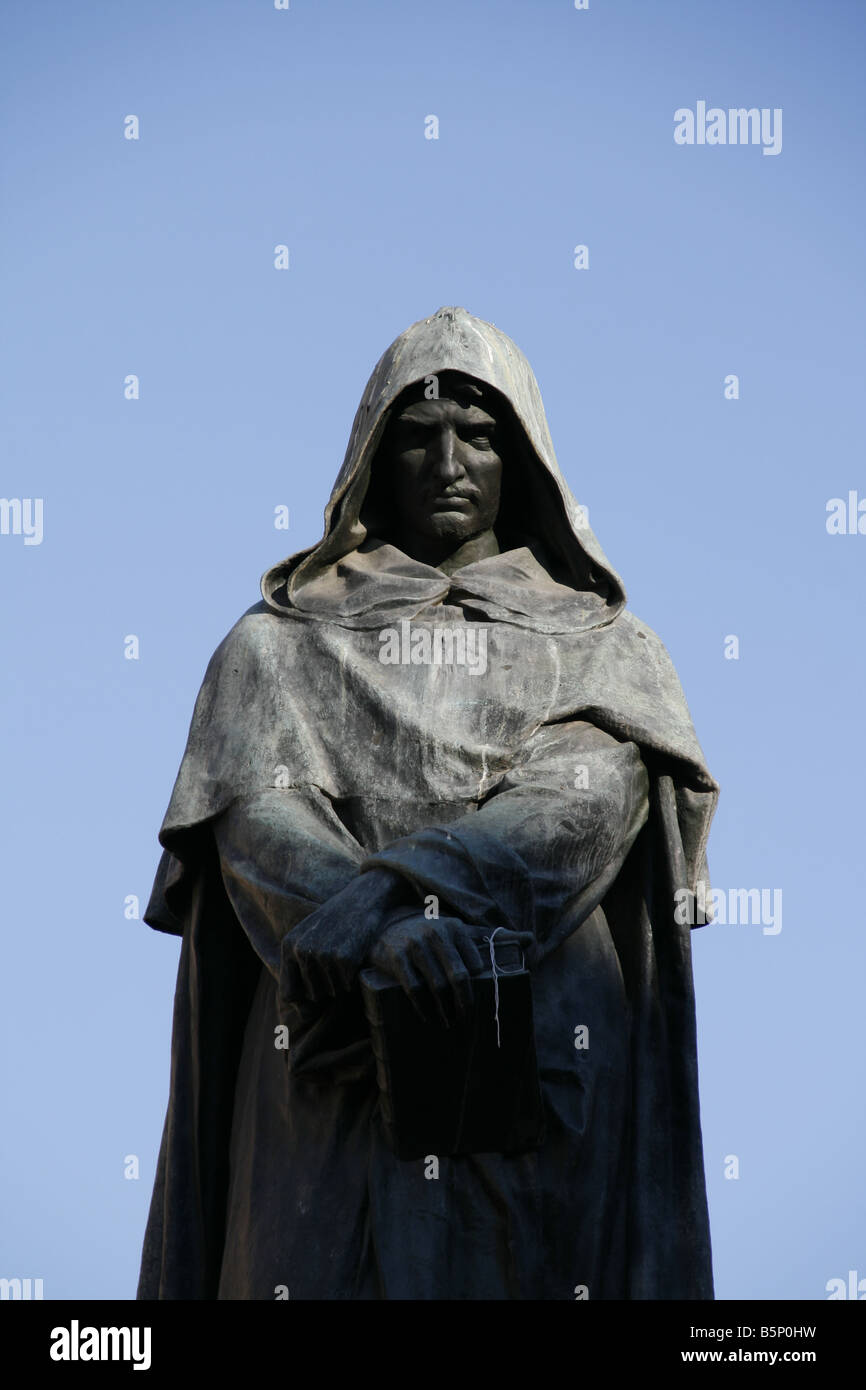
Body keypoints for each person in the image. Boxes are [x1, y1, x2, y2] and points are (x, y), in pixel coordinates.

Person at [137, 306, 719, 1300]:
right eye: (416, 435)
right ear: (373, 457)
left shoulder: (604, 649)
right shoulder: (276, 645)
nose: (447, 460)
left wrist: (391, 902)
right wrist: (380, 940)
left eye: (479, 435)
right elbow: (256, 816)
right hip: (325, 1097)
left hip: (535, 1104)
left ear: (521, 458)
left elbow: (579, 805)